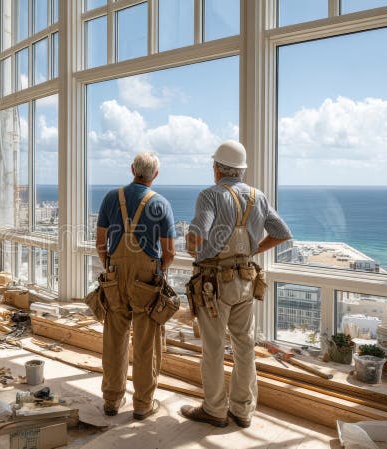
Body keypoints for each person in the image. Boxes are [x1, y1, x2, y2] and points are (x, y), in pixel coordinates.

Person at [180, 141, 292, 428]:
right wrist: (252, 251)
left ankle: (215, 409)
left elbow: (197, 235)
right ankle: (242, 410)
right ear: (241, 170)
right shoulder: (259, 197)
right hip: (245, 280)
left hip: (213, 286)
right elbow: (281, 233)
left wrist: (194, 247)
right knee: (244, 347)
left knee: (214, 348)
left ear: (216, 168)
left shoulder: (210, 195)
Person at [95, 152, 176, 420]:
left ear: (132, 169)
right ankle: (142, 404)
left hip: (116, 275)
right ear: (156, 175)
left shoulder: (110, 198)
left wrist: (110, 265)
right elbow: (170, 252)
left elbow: (100, 243)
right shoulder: (161, 204)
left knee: (114, 339)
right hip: (146, 278)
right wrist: (158, 271)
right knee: (145, 342)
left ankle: (111, 400)